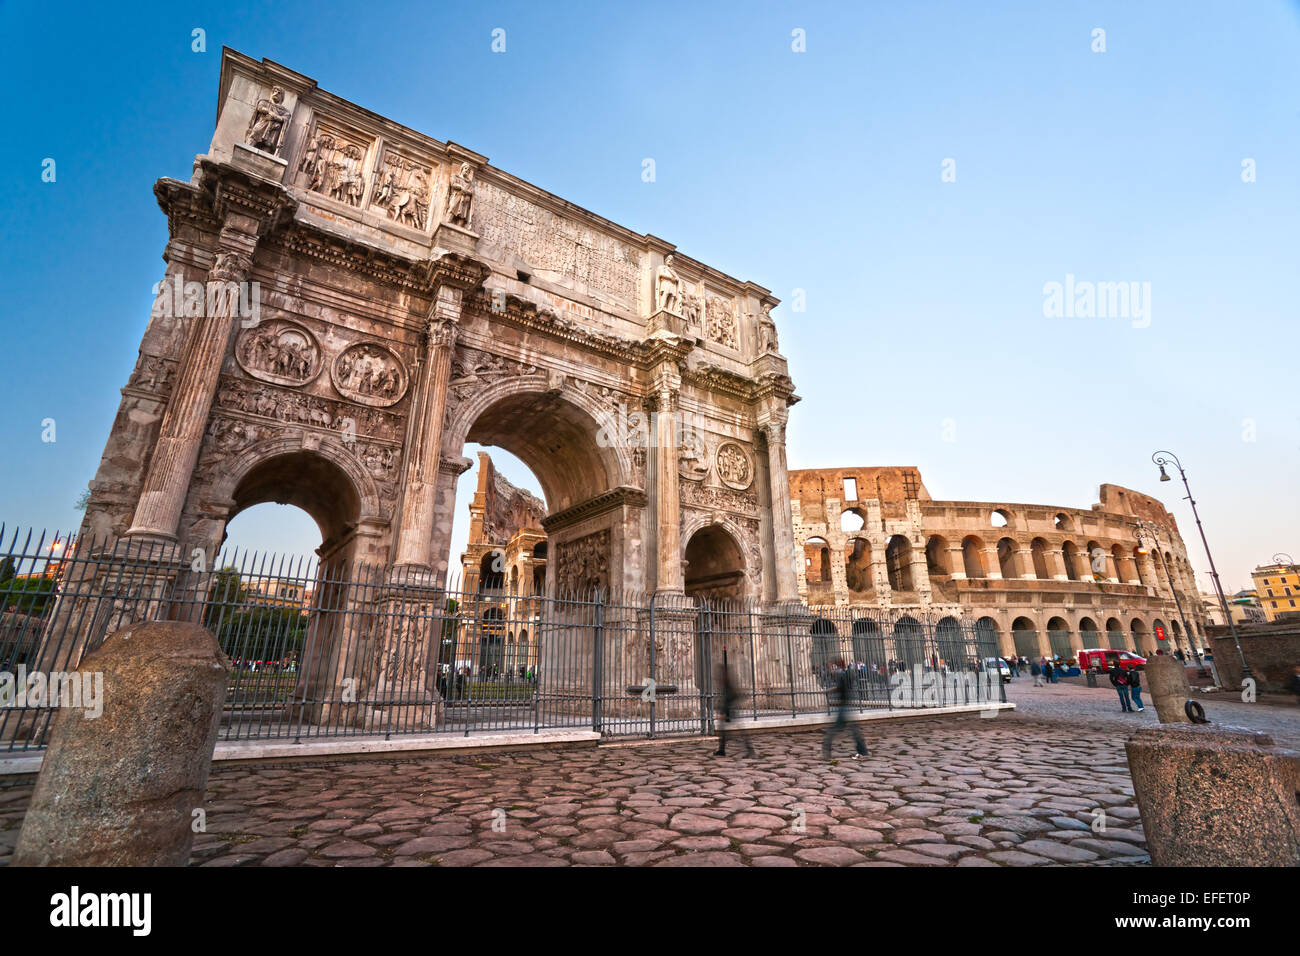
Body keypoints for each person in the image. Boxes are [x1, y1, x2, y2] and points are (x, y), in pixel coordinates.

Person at [823, 660, 868, 759]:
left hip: (843, 707)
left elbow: (839, 688)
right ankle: (863, 750)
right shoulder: (847, 674)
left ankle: (826, 750)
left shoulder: (841, 675)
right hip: (847, 705)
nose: (831, 668)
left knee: (834, 730)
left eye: (832, 666)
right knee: (854, 730)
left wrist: (828, 691)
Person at [713, 662, 754, 758]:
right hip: (729, 709)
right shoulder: (725, 682)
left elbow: (729, 697)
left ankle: (749, 750)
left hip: (730, 710)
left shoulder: (727, 682)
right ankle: (722, 749)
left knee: (738, 732)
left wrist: (723, 712)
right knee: (724, 729)